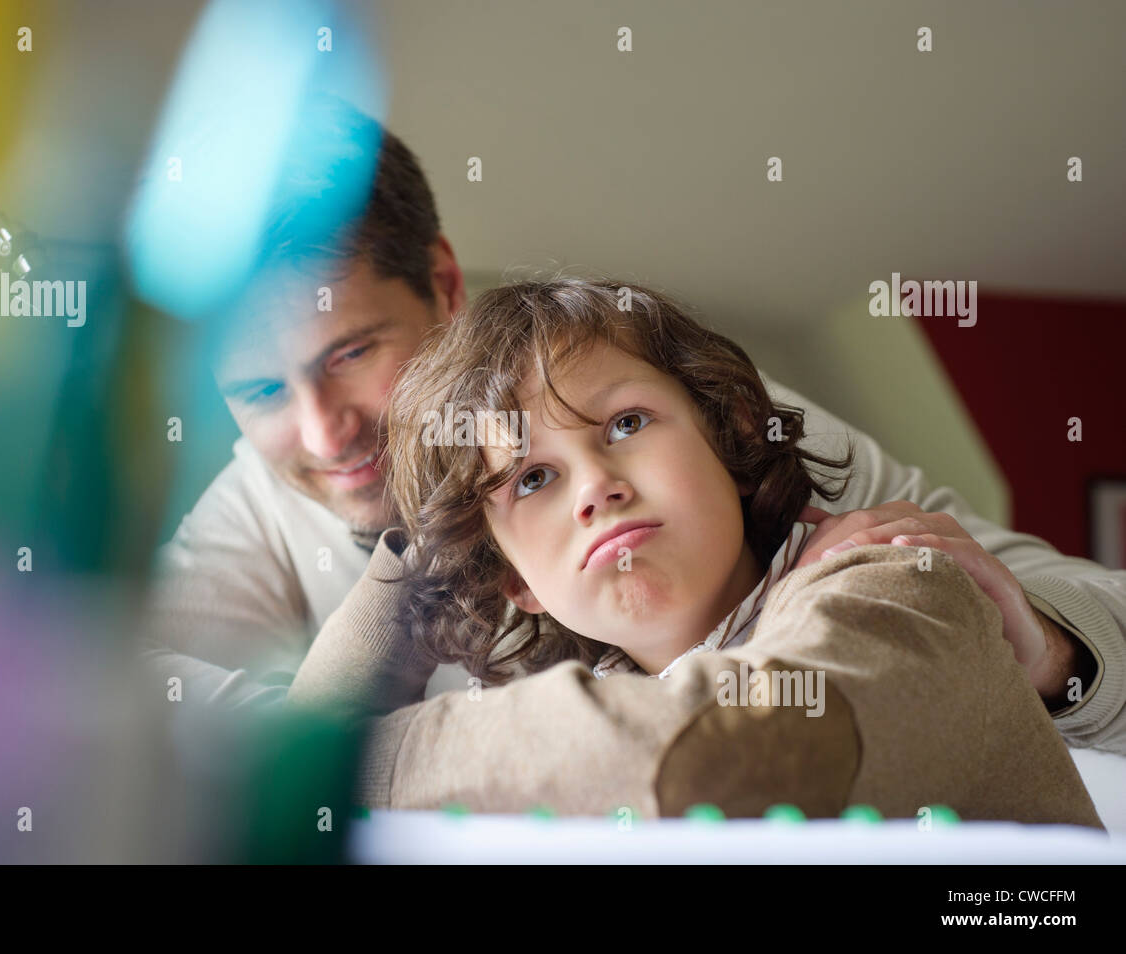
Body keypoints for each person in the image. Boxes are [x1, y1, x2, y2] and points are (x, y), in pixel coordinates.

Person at [143, 97, 1125, 755]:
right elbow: (120, 710)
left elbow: (1079, 607)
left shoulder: (690, 411)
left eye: (352, 352)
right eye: (259, 391)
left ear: (441, 282)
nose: (325, 436)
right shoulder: (251, 511)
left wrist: (1048, 653)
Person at [284, 278, 1103, 824]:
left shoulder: (890, 582)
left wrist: (348, 766)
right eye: (532, 479)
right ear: (513, 581)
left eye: (626, 424)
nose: (594, 487)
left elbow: (727, 750)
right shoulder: (597, 713)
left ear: (732, 435)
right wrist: (424, 556)